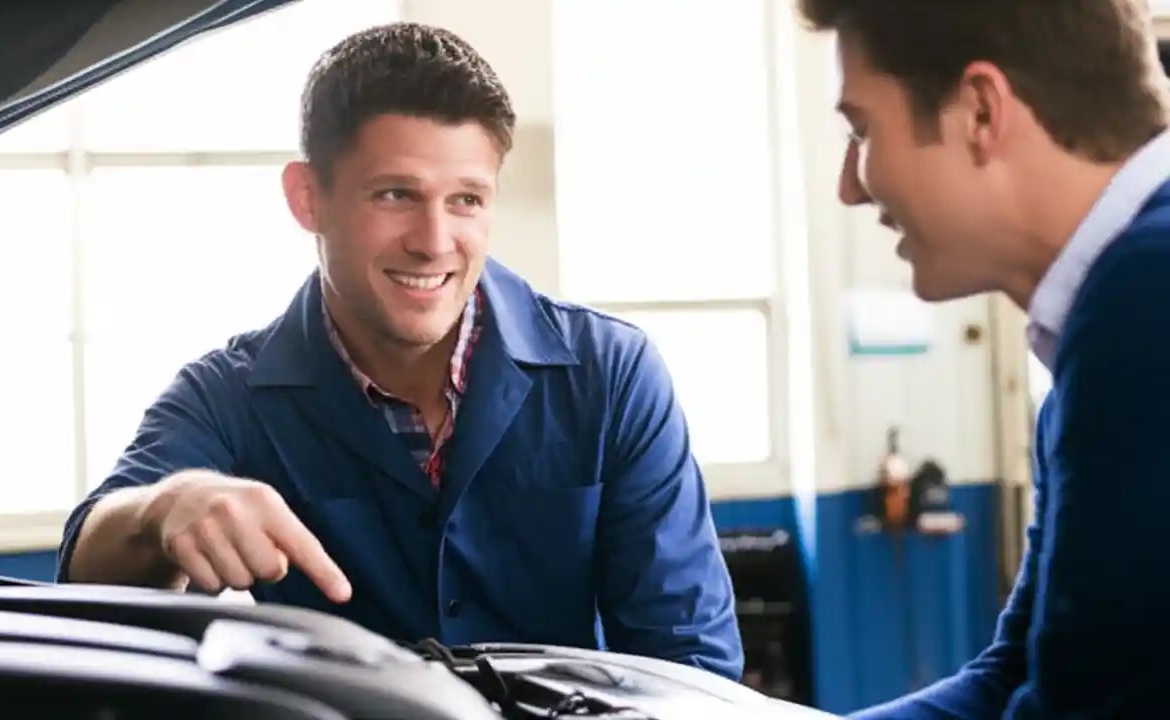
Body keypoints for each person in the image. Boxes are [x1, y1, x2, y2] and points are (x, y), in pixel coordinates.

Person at [57, 21, 743, 680]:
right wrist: (164, 508)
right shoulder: (228, 396)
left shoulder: (611, 376)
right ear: (307, 199)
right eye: (395, 195)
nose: (434, 240)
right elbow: (86, 572)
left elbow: (691, 665)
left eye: (467, 200)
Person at [798, 0, 1170, 717]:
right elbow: (1017, 675)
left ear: (978, 111)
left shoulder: (1147, 296)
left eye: (861, 130)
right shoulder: (1097, 333)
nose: (850, 185)